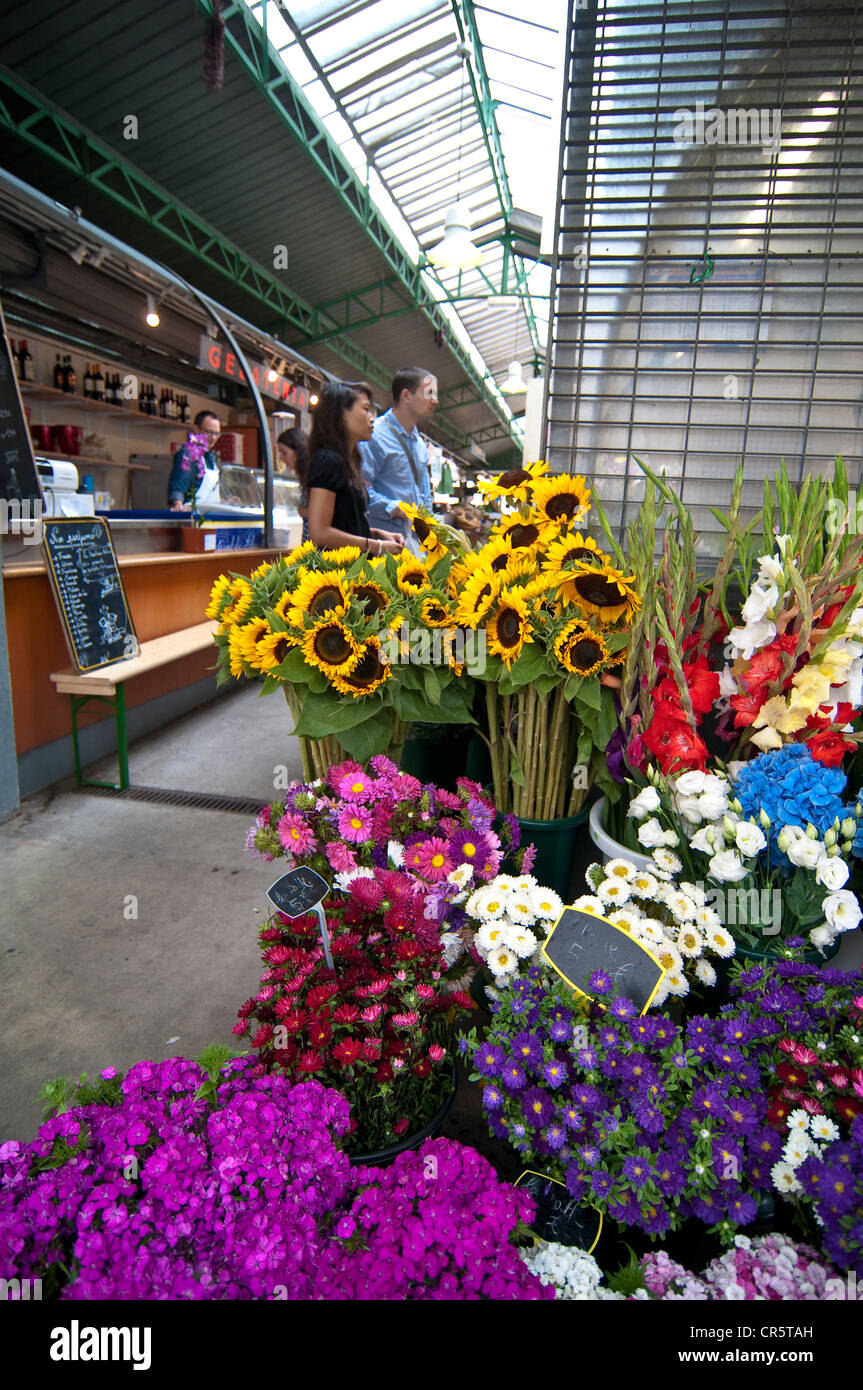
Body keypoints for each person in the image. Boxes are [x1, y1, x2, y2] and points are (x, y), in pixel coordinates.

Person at [306, 382, 404, 555]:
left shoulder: (349, 461)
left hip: (353, 570)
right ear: (343, 413)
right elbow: (319, 533)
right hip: (337, 574)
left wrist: (376, 533)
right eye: (366, 409)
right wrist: (376, 546)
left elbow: (345, 523)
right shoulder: (327, 460)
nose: (371, 418)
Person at [360, 366, 438, 555]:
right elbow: (361, 492)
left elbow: (424, 492)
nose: (435, 400)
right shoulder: (374, 435)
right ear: (406, 396)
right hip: (384, 547)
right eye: (429, 393)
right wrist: (395, 508)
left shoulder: (419, 442)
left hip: (417, 548)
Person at [167, 411, 221, 510]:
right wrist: (177, 503)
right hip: (193, 518)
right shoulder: (187, 454)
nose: (213, 438)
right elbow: (178, 486)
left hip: (211, 518)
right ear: (196, 429)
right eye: (209, 432)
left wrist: (226, 502)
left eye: (216, 434)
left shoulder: (210, 458)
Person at [276, 426, 310, 541]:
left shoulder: (315, 474)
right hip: (309, 546)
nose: (281, 458)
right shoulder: (306, 476)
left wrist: (305, 511)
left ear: (298, 450)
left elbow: (323, 513)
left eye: (284, 452)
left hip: (318, 549)